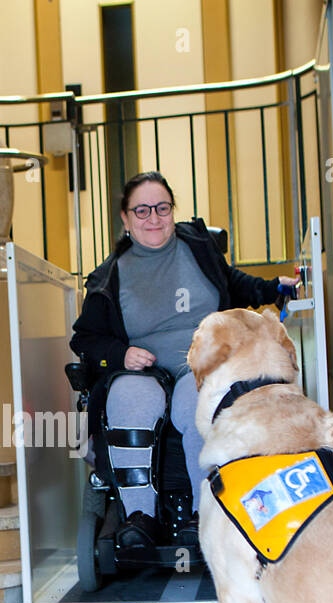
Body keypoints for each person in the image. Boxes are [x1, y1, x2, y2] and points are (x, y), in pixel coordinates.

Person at [69, 171, 298, 550]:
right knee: (128, 400)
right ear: (125, 219)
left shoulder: (198, 247)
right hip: (147, 368)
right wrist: (120, 354)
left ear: (173, 211)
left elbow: (235, 284)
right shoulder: (108, 277)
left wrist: (274, 288)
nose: (153, 218)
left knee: (198, 404)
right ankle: (138, 518)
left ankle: (204, 516)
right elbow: (86, 338)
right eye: (141, 210)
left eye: (162, 208)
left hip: (205, 363)